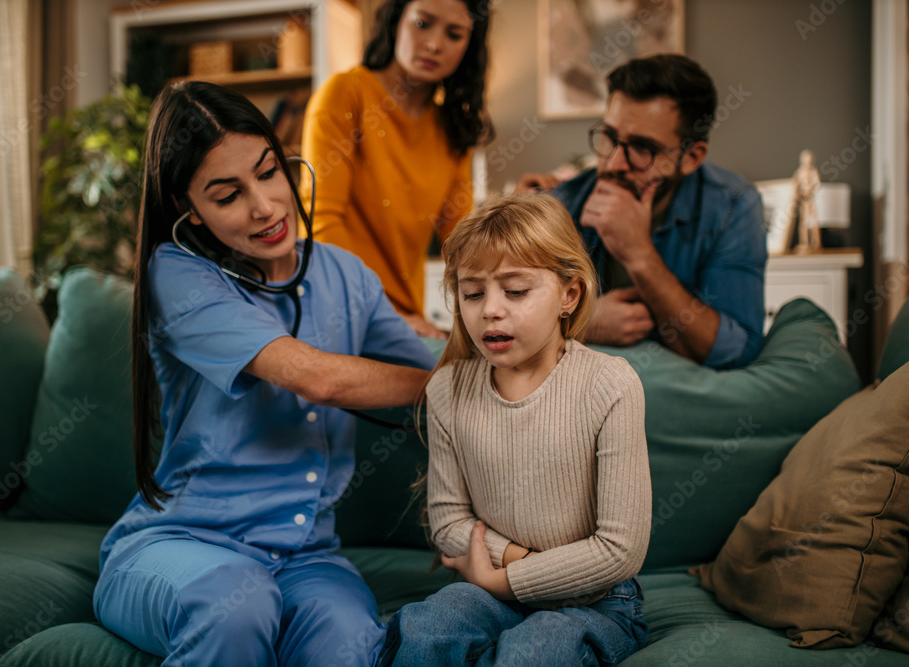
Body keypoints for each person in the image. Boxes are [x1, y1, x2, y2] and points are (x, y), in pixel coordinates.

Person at [93, 80, 437, 667]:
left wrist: (516, 347)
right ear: (189, 209)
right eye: (228, 195)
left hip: (306, 559)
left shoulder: (346, 275)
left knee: (346, 643)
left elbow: (433, 369)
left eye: (269, 172)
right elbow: (317, 379)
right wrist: (449, 385)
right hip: (182, 546)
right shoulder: (176, 274)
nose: (266, 206)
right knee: (235, 604)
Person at [378, 193, 652, 665]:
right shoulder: (448, 388)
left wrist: (502, 579)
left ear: (569, 295)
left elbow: (619, 551)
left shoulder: (611, 384)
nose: (490, 310)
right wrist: (513, 565)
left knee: (535, 648)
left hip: (597, 602)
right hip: (490, 590)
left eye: (516, 290)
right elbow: (448, 523)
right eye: (473, 293)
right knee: (426, 626)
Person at [518, 54, 767, 369]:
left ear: (691, 157)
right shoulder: (561, 205)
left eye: (643, 148)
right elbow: (502, 319)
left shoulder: (733, 206)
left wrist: (640, 255)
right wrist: (583, 323)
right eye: (609, 137)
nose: (613, 164)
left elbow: (736, 351)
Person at [301, 0, 494, 340]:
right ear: (395, 21)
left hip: (408, 320)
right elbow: (321, 221)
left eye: (454, 34)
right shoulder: (346, 94)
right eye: (422, 24)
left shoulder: (453, 128)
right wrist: (384, 314)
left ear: (469, 46)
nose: (434, 44)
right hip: (339, 311)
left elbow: (460, 241)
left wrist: (510, 217)